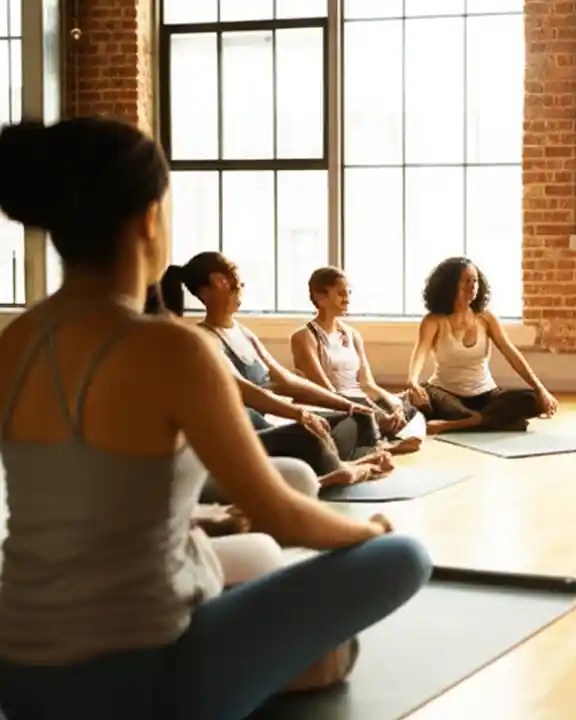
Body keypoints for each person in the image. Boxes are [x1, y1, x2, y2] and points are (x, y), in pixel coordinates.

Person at [0, 117, 431, 718]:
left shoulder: (13, 342)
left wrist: (203, 520)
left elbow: (84, 492)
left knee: (253, 555)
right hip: (138, 681)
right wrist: (371, 533)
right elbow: (283, 515)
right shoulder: (171, 347)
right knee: (406, 558)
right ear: (150, 218)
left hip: (17, 668)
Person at [165, 252, 395, 478]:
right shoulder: (204, 337)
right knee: (308, 434)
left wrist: (348, 405)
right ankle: (341, 467)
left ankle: (341, 461)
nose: (242, 285)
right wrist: (300, 414)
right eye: (237, 279)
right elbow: (247, 391)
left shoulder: (244, 333)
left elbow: (287, 380)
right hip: (246, 434)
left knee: (360, 417)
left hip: (271, 424)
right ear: (219, 281)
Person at [405, 256, 558, 434]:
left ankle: (459, 424)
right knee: (424, 396)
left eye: (475, 280)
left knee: (534, 400)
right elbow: (420, 353)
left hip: (486, 394)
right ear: (450, 285)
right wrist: (412, 381)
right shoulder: (434, 321)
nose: (472, 286)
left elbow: (511, 353)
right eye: (466, 281)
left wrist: (541, 389)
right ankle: (492, 421)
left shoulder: (486, 318)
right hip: (447, 394)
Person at [290, 267, 421, 454]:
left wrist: (393, 405)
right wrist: (377, 413)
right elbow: (326, 391)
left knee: (408, 408)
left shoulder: (353, 335)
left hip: (362, 401)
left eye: (348, 293)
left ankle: (381, 433)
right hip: (332, 404)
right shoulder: (303, 338)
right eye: (341, 293)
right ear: (320, 298)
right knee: (364, 415)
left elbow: (368, 384)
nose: (347, 299)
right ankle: (382, 443)